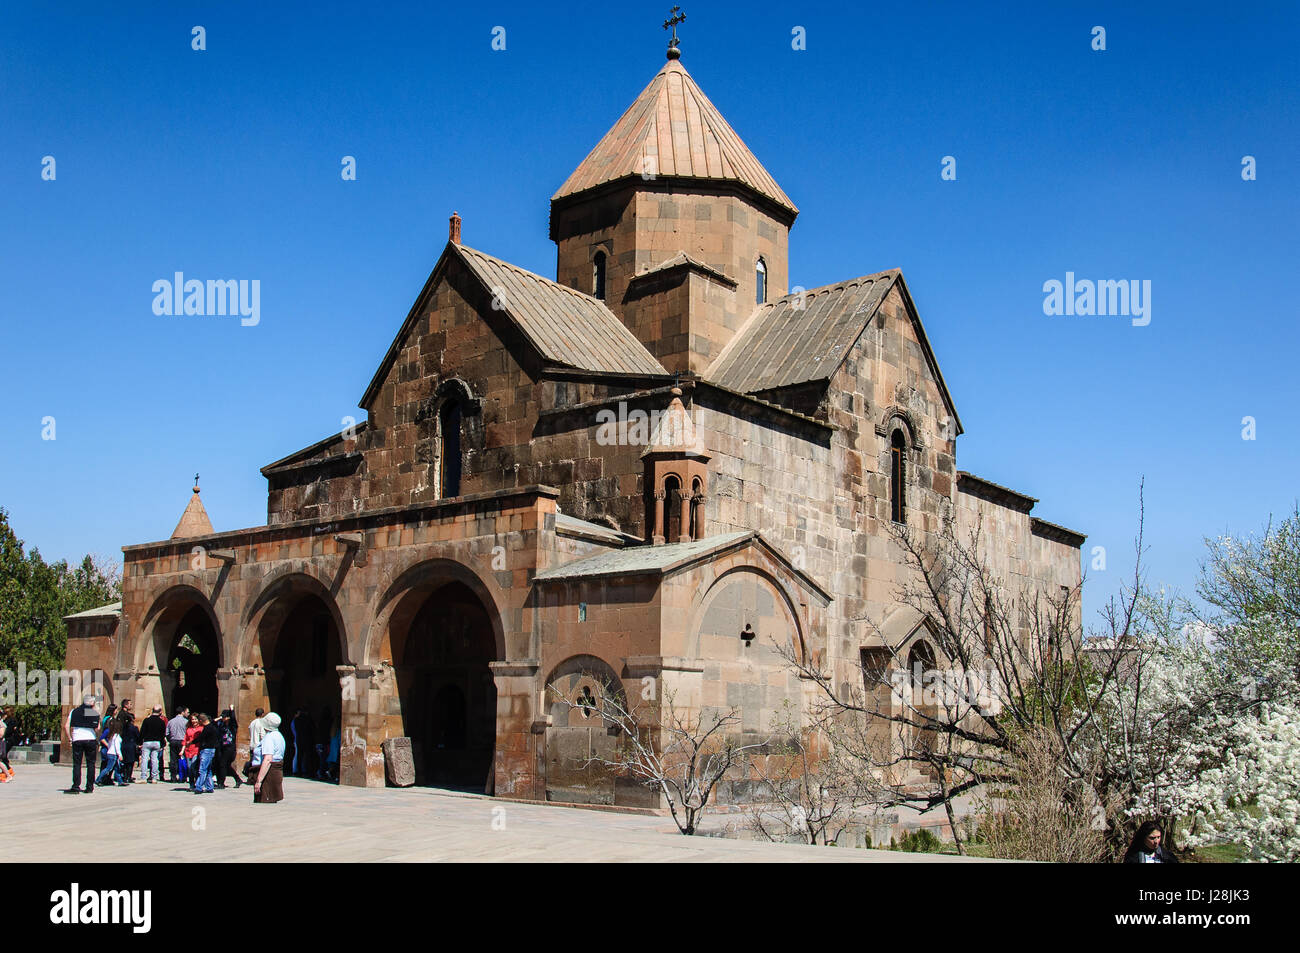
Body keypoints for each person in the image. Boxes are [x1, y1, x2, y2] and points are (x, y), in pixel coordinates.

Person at [65, 693, 101, 793]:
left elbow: (66, 726)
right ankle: (89, 787)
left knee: (77, 763)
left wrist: (70, 738)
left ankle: (76, 786)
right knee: (91, 764)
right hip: (90, 738)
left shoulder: (74, 711)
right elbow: (97, 728)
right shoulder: (94, 713)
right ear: (92, 702)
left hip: (77, 738)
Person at [252, 712, 286, 804]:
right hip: (276, 772)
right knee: (271, 801)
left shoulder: (269, 737)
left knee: (264, 802)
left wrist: (259, 781)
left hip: (268, 775)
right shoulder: (279, 736)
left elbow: (267, 759)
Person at [95, 717, 125, 787]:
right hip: (113, 754)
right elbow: (117, 747)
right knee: (108, 768)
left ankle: (120, 781)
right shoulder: (116, 736)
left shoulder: (111, 735)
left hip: (110, 753)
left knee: (117, 768)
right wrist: (120, 755)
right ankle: (98, 779)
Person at [140, 705, 167, 783]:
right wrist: (162, 743)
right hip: (156, 742)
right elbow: (163, 734)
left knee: (144, 759)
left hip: (147, 741)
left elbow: (142, 732)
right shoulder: (161, 722)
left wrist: (140, 742)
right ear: (160, 711)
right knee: (155, 760)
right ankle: (154, 777)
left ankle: (143, 777)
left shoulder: (146, 720)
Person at [215, 709, 241, 789]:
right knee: (224, 765)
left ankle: (221, 783)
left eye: (224, 717)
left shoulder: (232, 726)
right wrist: (219, 718)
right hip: (221, 747)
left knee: (223, 764)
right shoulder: (221, 725)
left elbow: (233, 720)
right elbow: (211, 723)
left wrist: (232, 710)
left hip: (230, 748)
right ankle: (237, 779)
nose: (223, 718)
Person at [193, 714, 218, 794]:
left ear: (201, 721)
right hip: (211, 750)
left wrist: (191, 742)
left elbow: (201, 738)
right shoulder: (212, 726)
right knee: (208, 770)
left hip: (207, 750)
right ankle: (210, 787)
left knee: (202, 769)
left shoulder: (208, 728)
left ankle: (199, 787)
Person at [166, 707, 190, 783]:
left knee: (173, 760)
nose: (188, 714)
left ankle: (173, 777)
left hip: (173, 741)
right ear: (182, 712)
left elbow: (167, 733)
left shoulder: (170, 721)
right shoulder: (186, 722)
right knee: (182, 759)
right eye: (187, 712)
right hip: (182, 742)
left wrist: (170, 740)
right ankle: (183, 777)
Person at [119, 710, 141, 783]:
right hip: (131, 745)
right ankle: (128, 776)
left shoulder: (123, 728)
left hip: (124, 745)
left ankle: (124, 776)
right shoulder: (134, 728)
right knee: (130, 762)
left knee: (125, 762)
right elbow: (138, 737)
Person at [245, 708, 266, 783]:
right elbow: (262, 735)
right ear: (262, 714)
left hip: (252, 744)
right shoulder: (261, 723)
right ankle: (256, 778)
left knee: (252, 762)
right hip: (258, 745)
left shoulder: (252, 722)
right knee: (259, 763)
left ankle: (250, 778)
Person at [183, 714, 202, 790]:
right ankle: (191, 784)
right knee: (189, 768)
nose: (194, 721)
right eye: (192, 719)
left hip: (196, 749)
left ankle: (197, 782)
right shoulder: (188, 729)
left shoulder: (201, 728)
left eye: (195, 719)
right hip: (188, 750)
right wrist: (182, 749)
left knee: (194, 767)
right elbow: (185, 739)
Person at [0, 707, 14, 782]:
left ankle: (8, 775)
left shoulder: (2, 724)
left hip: (2, 743)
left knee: (1, 761)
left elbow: (1, 735)